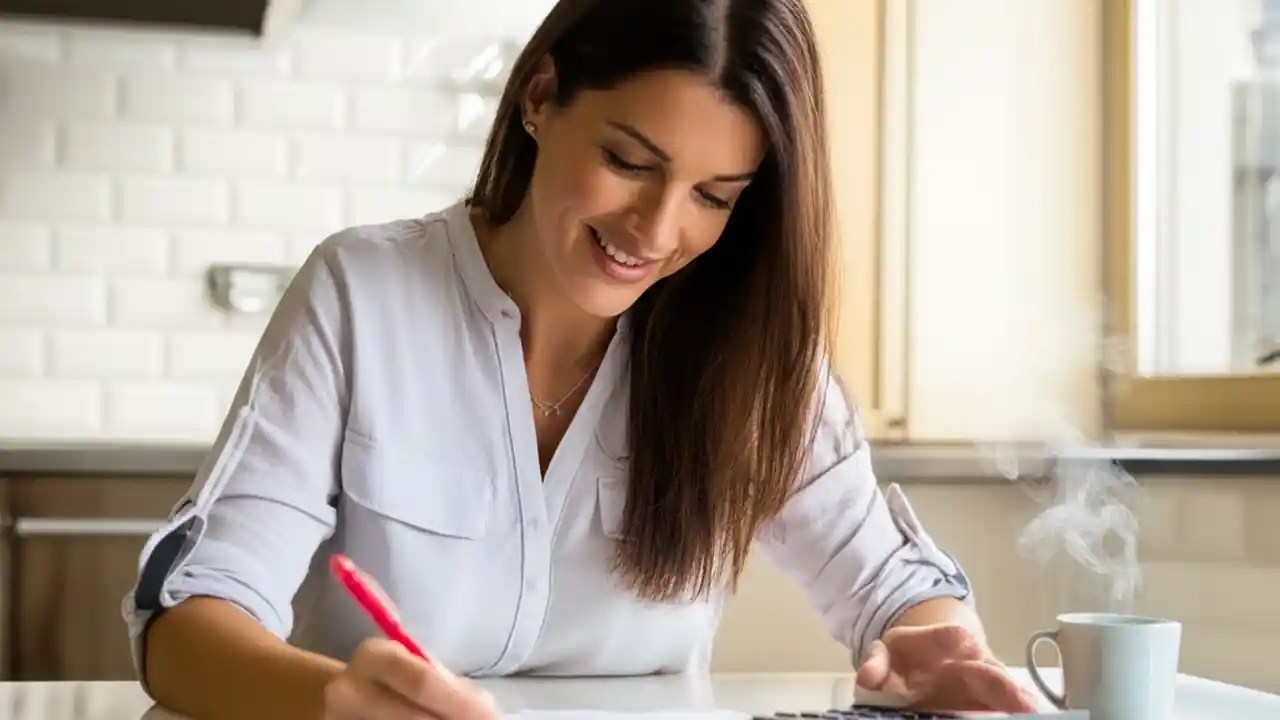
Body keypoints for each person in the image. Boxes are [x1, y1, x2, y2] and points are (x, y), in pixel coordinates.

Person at [123, 1, 1039, 718]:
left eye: (714, 197)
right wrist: (333, 704)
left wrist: (941, 648)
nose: (657, 230)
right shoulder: (364, 294)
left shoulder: (751, 357)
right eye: (629, 160)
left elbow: (896, 592)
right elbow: (189, 624)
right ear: (539, 99)